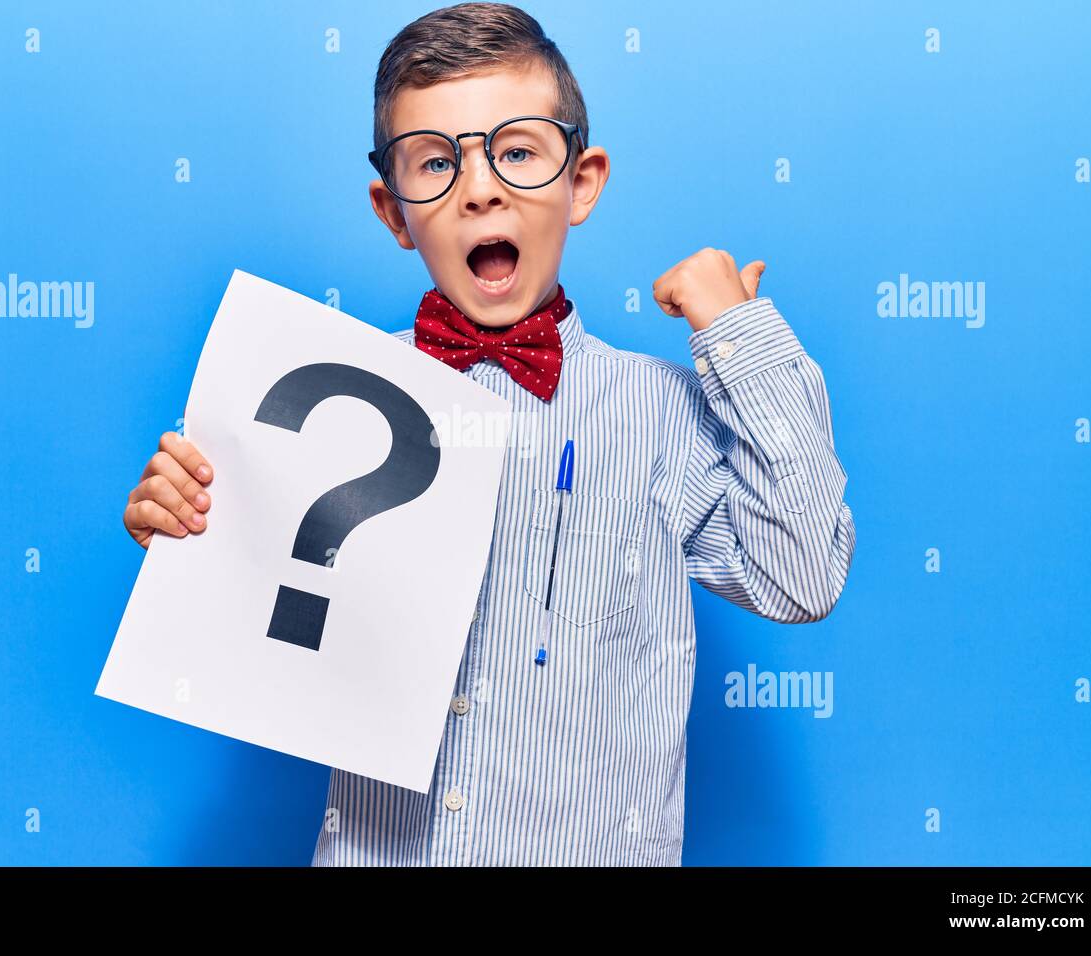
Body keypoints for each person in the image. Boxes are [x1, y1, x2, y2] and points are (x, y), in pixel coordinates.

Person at [121, 1, 856, 865]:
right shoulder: (319, 399)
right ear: (393, 212)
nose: (480, 188)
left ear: (581, 182)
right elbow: (255, 617)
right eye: (434, 163)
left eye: (517, 151)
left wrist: (735, 332)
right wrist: (186, 532)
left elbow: (803, 575)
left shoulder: (661, 415)